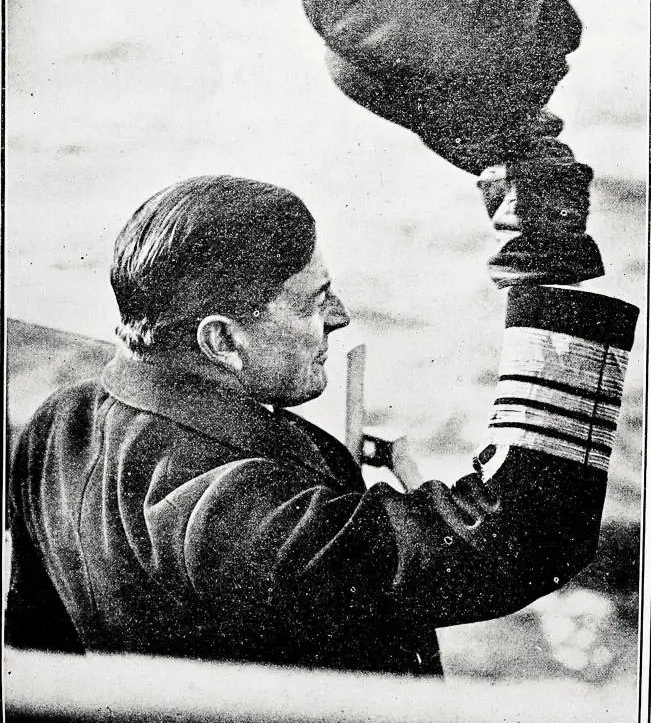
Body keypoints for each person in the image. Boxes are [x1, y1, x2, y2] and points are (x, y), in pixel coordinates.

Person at [5, 172, 637, 675]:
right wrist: (551, 269)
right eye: (313, 300)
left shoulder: (57, 425)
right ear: (222, 340)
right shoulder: (234, 511)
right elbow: (519, 535)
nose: (340, 315)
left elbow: (36, 650)